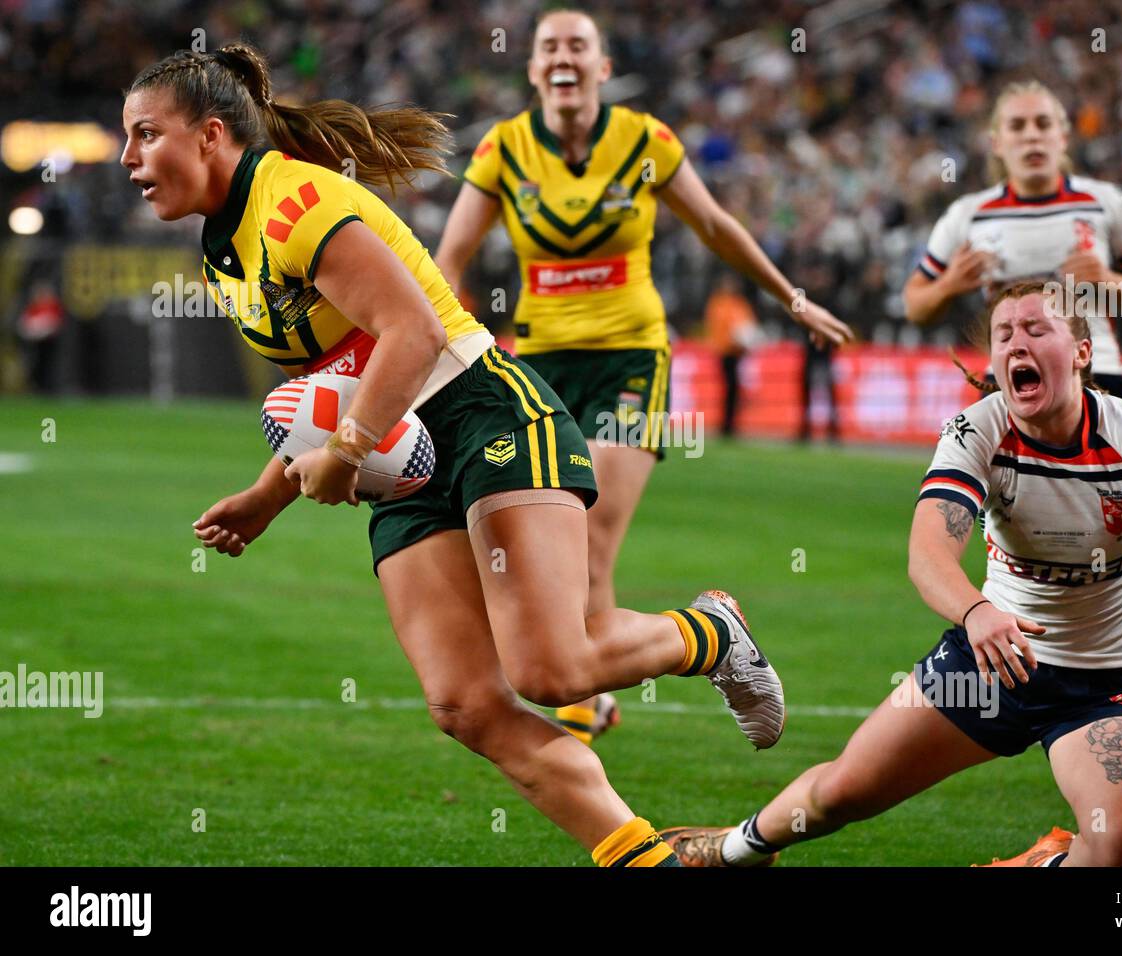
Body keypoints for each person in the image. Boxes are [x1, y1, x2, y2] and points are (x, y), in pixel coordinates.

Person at [122, 42, 786, 868]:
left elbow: (415, 330)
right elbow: (327, 381)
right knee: (464, 703)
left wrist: (349, 449)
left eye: (146, 134)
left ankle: (708, 633)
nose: (128, 158)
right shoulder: (224, 247)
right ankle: (643, 857)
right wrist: (269, 495)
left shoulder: (295, 204)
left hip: (480, 414)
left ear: (212, 135)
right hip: (402, 459)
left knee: (551, 671)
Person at [662, 280, 1122, 867]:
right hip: (988, 660)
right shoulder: (976, 429)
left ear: (1082, 352)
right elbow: (928, 552)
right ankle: (730, 851)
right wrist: (976, 612)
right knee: (840, 793)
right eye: (1004, 334)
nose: (1015, 343)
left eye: (1036, 329)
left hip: (1110, 681)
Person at [434, 8, 851, 744]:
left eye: (579, 46)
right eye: (549, 47)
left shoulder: (645, 141)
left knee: (590, 537)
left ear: (602, 68)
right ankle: (591, 690)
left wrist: (791, 299)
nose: (563, 57)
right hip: (537, 366)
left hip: (631, 358)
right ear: (533, 70)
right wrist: (431, 346)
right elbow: (450, 258)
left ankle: (594, 700)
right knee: (555, 549)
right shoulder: (504, 149)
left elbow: (714, 225)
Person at [903, 80, 1122, 399]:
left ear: (1063, 137)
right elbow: (914, 306)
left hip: (1096, 374)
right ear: (996, 143)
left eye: (1043, 124)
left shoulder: (1108, 201)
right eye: (1017, 126)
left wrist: (1107, 279)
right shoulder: (967, 214)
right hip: (1008, 377)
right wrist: (949, 285)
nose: (1031, 135)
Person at [703, 273, 759, 438]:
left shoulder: (738, 303)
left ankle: (730, 423)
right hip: (725, 351)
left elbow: (748, 325)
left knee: (734, 388)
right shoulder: (719, 303)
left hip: (738, 352)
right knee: (728, 387)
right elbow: (717, 326)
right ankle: (726, 424)